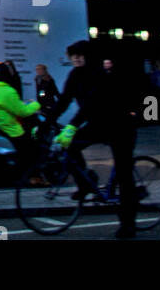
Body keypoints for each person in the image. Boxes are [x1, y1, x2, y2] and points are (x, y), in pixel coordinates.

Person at [49, 40, 140, 239]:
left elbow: (91, 104)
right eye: (73, 55)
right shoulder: (74, 75)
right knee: (70, 147)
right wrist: (46, 122)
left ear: (88, 56)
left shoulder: (99, 74)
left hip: (119, 124)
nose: (76, 58)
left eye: (80, 55)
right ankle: (86, 184)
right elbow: (64, 100)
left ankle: (128, 224)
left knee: (124, 174)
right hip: (97, 124)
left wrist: (72, 125)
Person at [0, 61, 41, 201]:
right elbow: (21, 111)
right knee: (31, 148)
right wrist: (36, 104)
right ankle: (32, 176)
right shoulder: (8, 91)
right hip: (9, 129)